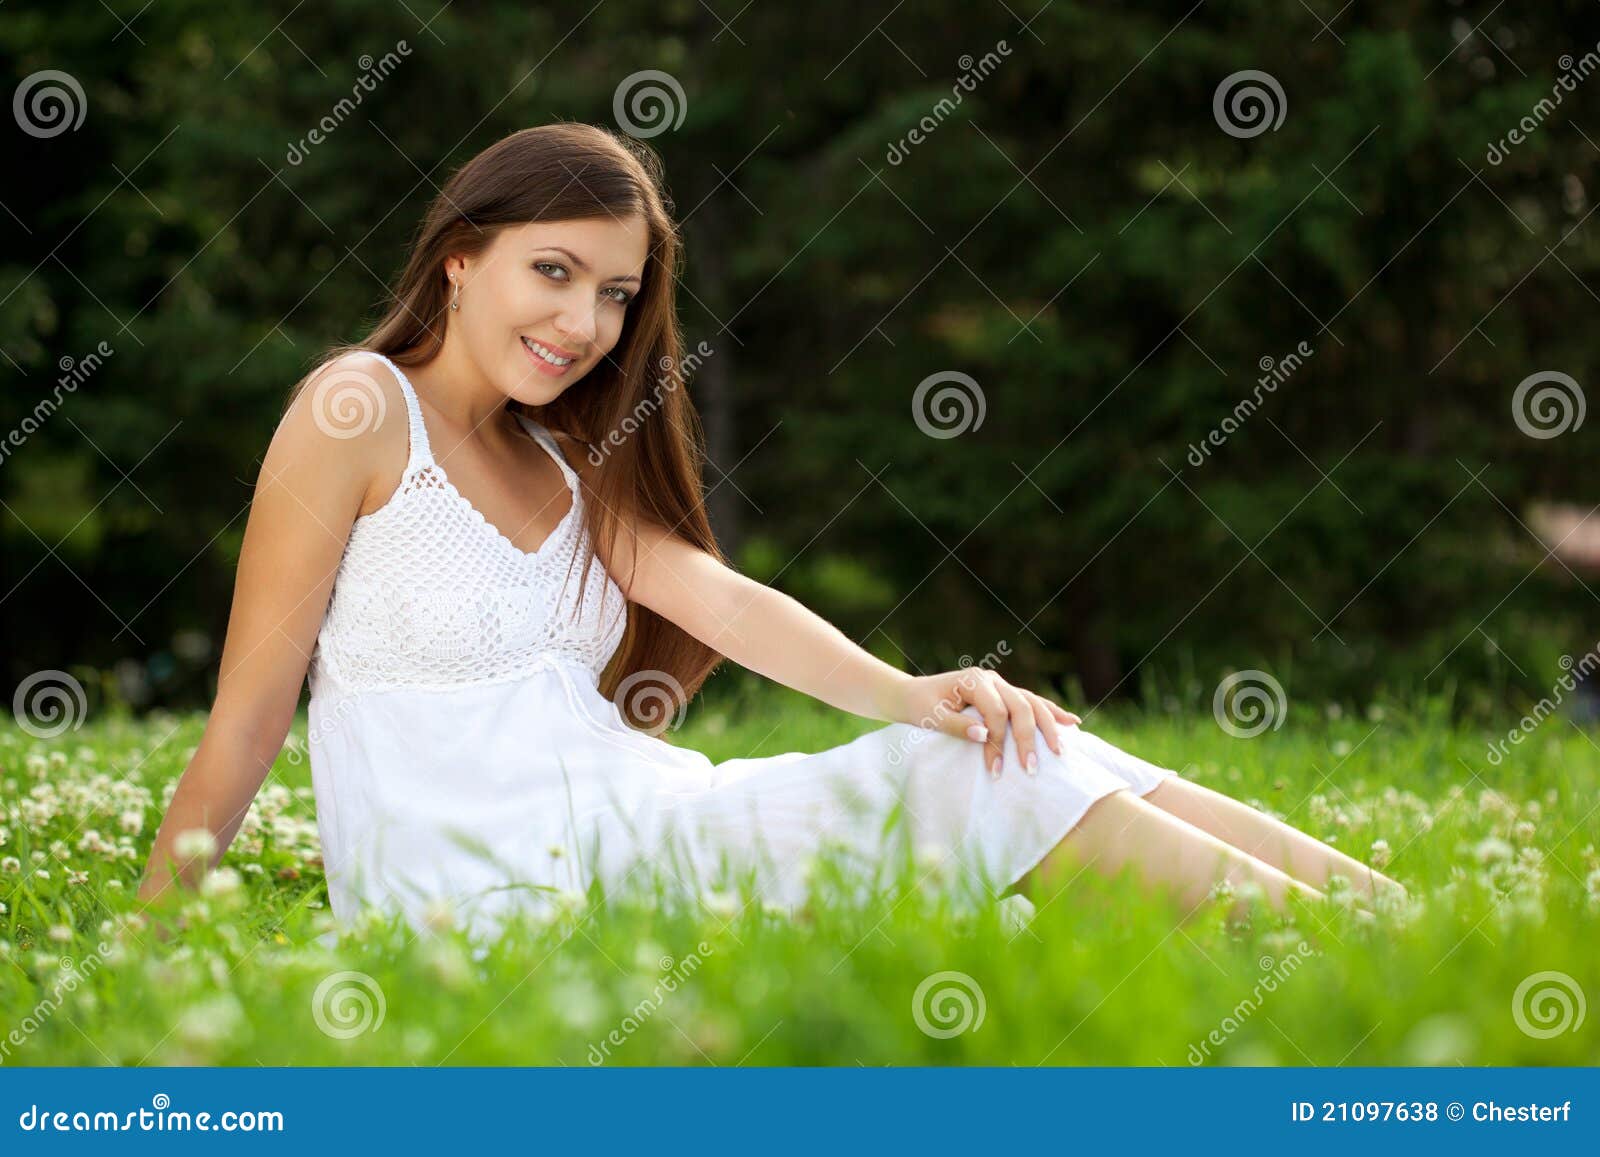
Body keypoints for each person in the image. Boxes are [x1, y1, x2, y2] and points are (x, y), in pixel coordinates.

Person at [137, 123, 1405, 942]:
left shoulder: (566, 458)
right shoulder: (357, 409)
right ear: (464, 257)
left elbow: (723, 601)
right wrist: (147, 946)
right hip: (483, 893)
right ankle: (1365, 952)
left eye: (617, 294)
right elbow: (250, 714)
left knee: (992, 747)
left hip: (635, 822)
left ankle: (1388, 921)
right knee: (961, 779)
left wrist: (913, 690)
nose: (583, 323)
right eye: (555, 271)